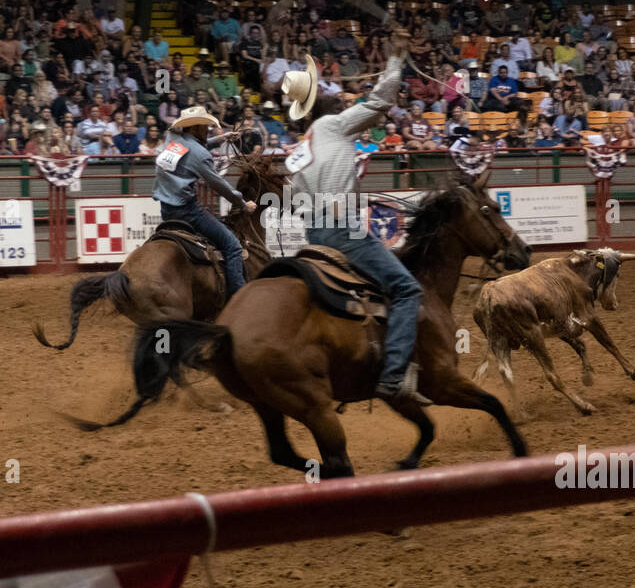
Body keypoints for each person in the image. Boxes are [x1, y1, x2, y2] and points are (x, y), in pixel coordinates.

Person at [282, 30, 430, 406]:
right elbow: (380, 101)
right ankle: (395, 375)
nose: (337, 94)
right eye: (330, 93)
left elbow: (292, 203)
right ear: (323, 105)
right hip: (341, 230)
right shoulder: (332, 126)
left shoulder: (297, 154)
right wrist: (396, 57)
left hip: (313, 235)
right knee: (406, 288)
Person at [152, 106, 254, 299]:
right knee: (232, 245)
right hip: (187, 211)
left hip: (166, 210)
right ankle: (238, 297)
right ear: (196, 128)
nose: (207, 130)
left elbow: (193, 148)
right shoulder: (200, 155)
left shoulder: (172, 137)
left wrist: (221, 139)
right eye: (205, 127)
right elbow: (219, 185)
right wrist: (242, 204)